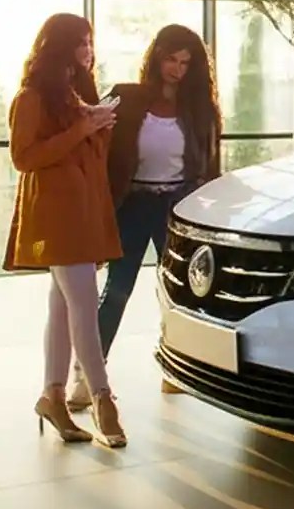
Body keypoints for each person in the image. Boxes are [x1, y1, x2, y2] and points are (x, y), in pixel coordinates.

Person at [66, 24, 222, 410]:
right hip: (134, 202)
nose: (177, 69)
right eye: (171, 59)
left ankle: (176, 370)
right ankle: (86, 377)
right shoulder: (128, 97)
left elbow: (211, 166)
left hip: (179, 206)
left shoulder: (200, 109)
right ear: (156, 56)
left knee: (180, 292)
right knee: (117, 288)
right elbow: (91, 137)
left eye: (186, 62)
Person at [5, 12, 127, 448]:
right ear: (59, 47)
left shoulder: (77, 96)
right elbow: (24, 157)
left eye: (91, 43)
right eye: (80, 43)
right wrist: (82, 128)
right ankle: (102, 397)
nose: (88, 51)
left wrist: (99, 126)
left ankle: (52, 395)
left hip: (84, 213)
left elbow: (88, 158)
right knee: (83, 302)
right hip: (54, 218)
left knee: (63, 303)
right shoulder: (32, 97)